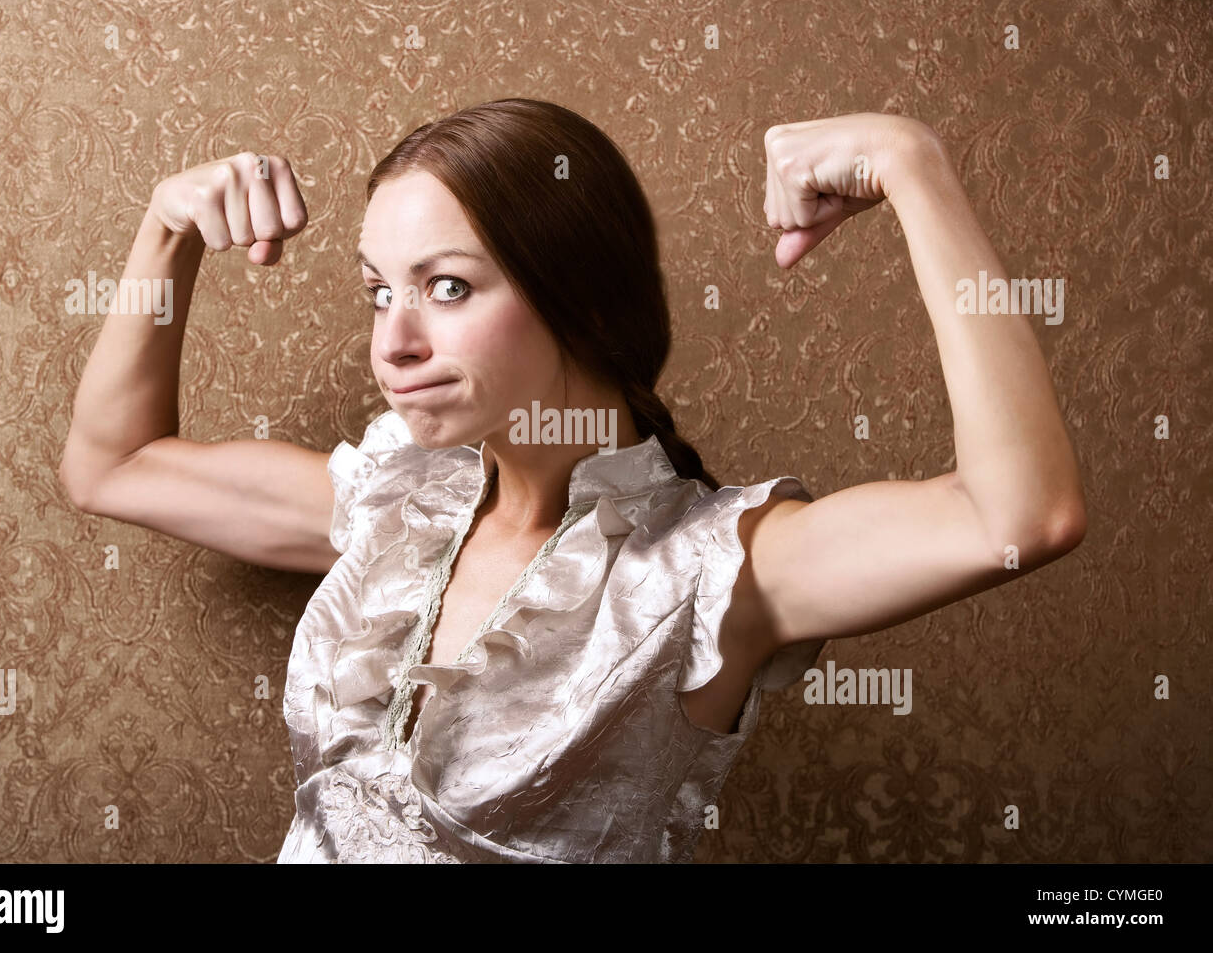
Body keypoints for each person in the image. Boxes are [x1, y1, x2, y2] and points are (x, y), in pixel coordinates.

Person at [59, 98, 1087, 863]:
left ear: (574, 293)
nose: (393, 341)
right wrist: (167, 226)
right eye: (378, 291)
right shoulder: (395, 503)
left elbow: (1021, 514)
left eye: (446, 286)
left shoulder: (710, 570)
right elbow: (111, 463)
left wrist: (914, 169)